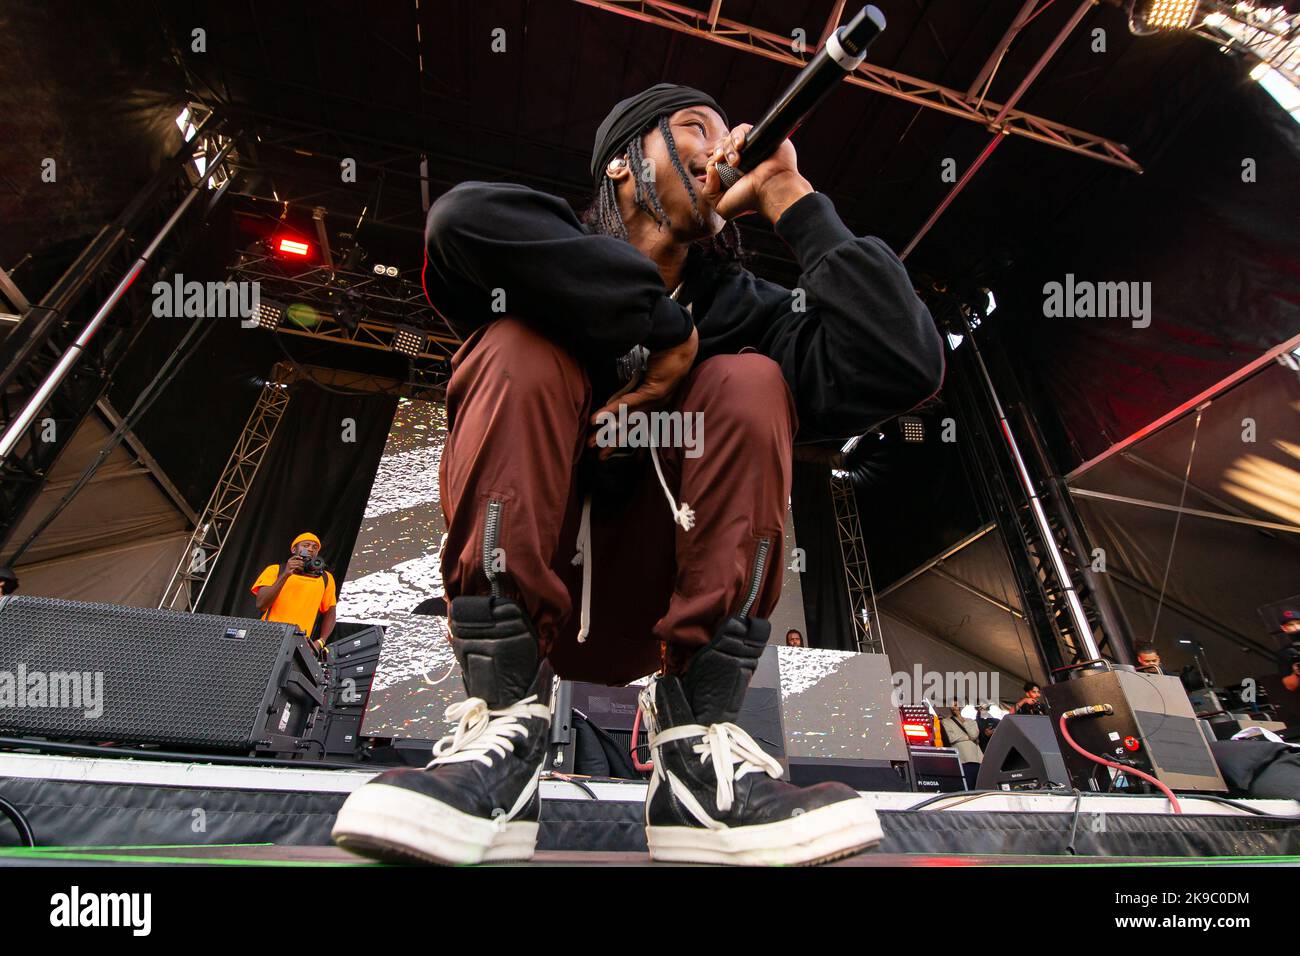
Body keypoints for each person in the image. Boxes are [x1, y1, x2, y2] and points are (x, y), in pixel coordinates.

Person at [332, 83, 944, 867]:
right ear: (623, 163)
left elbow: (904, 360)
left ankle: (696, 757)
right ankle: (502, 733)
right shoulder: (542, 253)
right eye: (695, 128)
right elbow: (459, 221)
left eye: (729, 134)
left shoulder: (748, 309)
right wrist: (663, 328)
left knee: (753, 381)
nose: (722, 146)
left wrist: (793, 193)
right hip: (532, 588)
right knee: (517, 347)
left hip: (657, 617)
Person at [251, 532, 337, 650]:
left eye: (315, 547)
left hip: (299, 644)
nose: (310, 549)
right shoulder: (276, 570)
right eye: (306, 545)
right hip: (267, 637)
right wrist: (286, 574)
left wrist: (321, 641)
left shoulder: (326, 578)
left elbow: (330, 612)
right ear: (294, 549)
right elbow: (261, 604)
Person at [939, 701, 983, 790]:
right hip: (963, 760)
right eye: (952, 705)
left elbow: (974, 735)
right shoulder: (946, 721)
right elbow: (951, 738)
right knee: (968, 786)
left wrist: (960, 718)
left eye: (956, 705)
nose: (955, 707)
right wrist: (968, 737)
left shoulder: (970, 721)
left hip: (977, 759)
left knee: (979, 786)